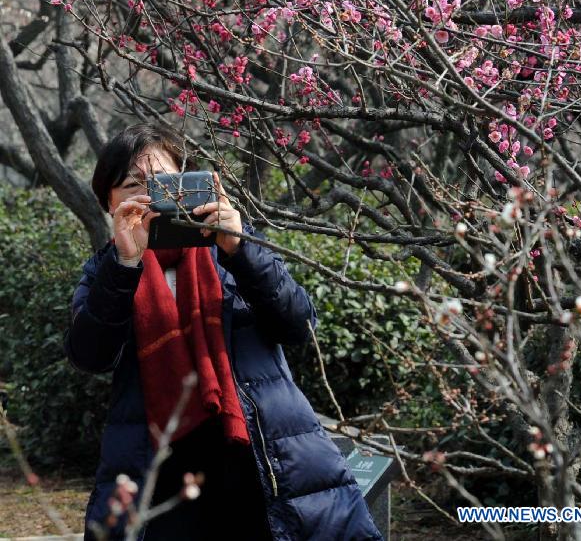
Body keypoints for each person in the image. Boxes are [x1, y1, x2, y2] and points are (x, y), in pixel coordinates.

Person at [65, 123, 383, 541]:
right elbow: (90, 355)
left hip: (256, 459)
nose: (151, 195)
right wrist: (125, 266)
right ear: (108, 202)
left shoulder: (229, 248)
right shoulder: (106, 270)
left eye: (164, 181)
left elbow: (298, 324)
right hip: (161, 474)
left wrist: (240, 247)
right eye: (132, 185)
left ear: (191, 181)